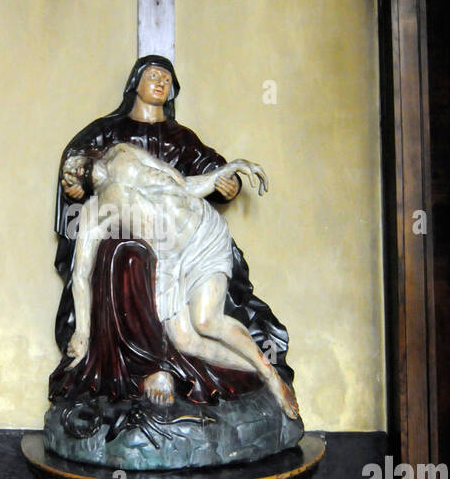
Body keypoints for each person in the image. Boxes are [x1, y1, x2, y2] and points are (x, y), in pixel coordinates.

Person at [50, 54, 295, 408]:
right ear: (134, 82)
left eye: (167, 78)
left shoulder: (138, 151)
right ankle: (151, 364)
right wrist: (83, 333)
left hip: (191, 237)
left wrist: (228, 178)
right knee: (130, 258)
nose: (161, 82)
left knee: (201, 320)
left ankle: (265, 376)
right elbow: (81, 269)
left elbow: (190, 178)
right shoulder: (106, 141)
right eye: (152, 75)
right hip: (155, 250)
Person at [66, 142, 299, 418]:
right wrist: (81, 333)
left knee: (207, 321)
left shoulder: (122, 153)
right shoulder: (92, 213)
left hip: (200, 234)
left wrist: (228, 170)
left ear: (87, 154)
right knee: (187, 342)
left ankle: (272, 377)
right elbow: (81, 275)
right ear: (72, 183)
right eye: (68, 171)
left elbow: (180, 182)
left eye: (73, 161)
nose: (72, 167)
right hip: (169, 264)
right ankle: (262, 373)